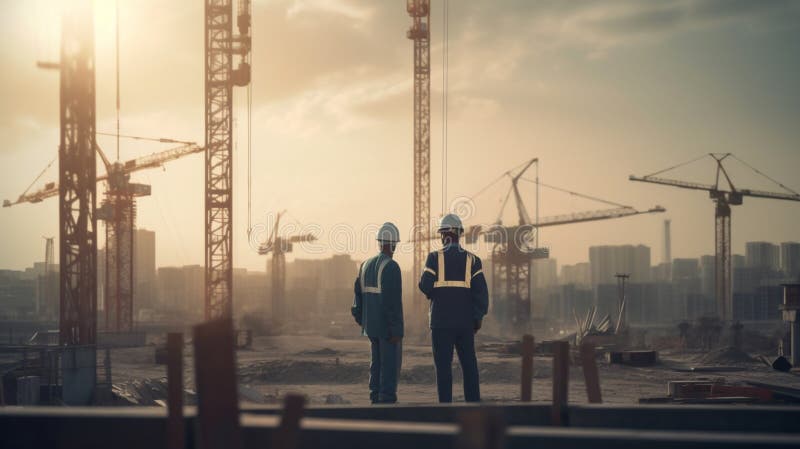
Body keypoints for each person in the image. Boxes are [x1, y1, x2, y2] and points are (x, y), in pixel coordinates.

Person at [419, 214, 489, 403]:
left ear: (443, 235)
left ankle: (445, 409)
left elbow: (425, 286)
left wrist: (435, 293)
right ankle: (473, 406)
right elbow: (481, 293)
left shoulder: (434, 258)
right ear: (460, 234)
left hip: (441, 323)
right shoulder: (473, 260)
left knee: (443, 368)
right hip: (465, 323)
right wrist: (477, 318)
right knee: (469, 366)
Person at [351, 222, 404, 403]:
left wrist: (362, 320)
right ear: (393, 244)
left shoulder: (365, 265)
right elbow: (392, 302)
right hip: (386, 328)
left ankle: (374, 397)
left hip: (370, 326)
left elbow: (357, 297)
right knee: (389, 364)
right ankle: (386, 400)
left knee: (376, 363)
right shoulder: (391, 267)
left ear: (379, 242)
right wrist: (396, 330)